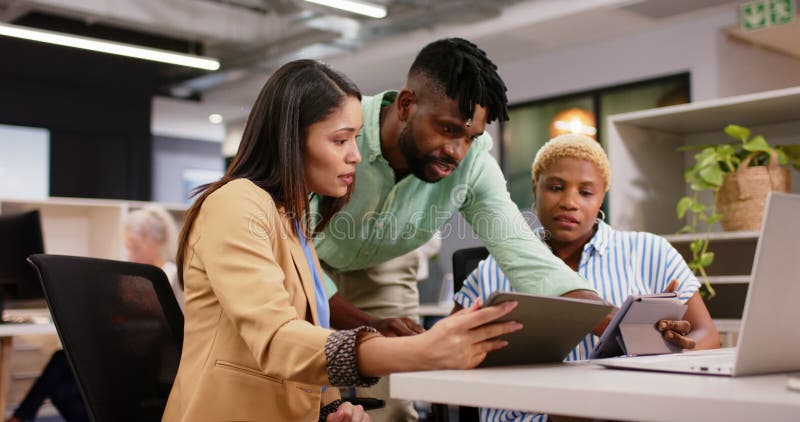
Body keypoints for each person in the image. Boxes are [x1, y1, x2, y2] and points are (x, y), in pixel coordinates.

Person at [161, 59, 523, 422]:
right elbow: (279, 341)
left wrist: (334, 408)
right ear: (291, 137)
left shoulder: (293, 223)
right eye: (340, 139)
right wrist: (421, 350)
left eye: (355, 138)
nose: (356, 155)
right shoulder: (235, 204)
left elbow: (307, 340)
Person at [312, 37, 608, 420]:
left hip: (383, 266)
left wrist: (616, 322)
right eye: (448, 129)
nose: (458, 151)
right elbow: (291, 253)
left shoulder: (472, 166)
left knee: (394, 405)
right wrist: (367, 326)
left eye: (471, 137)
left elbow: (524, 252)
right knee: (305, 394)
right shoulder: (342, 130)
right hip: (305, 260)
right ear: (406, 105)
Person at [454, 133, 721, 422]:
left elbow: (707, 334)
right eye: (556, 187)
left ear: (602, 196)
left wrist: (670, 349)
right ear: (535, 188)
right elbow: (449, 344)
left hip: (624, 412)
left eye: (585, 192)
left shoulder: (650, 252)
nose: (569, 202)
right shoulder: (494, 266)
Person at [7, 206, 181, 422]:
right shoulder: (132, 276)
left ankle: (19, 417)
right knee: (62, 389)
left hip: (143, 361)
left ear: (155, 243)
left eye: (135, 247)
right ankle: (20, 417)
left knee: (61, 360)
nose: (131, 255)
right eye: (128, 248)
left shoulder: (169, 276)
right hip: (119, 351)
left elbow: (164, 326)